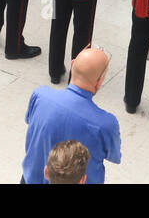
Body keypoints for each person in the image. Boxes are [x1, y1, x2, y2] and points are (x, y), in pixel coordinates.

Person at [21, 46, 121, 184]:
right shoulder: (106, 124)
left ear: (72, 64)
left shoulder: (40, 96)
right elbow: (114, 156)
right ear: (99, 81)